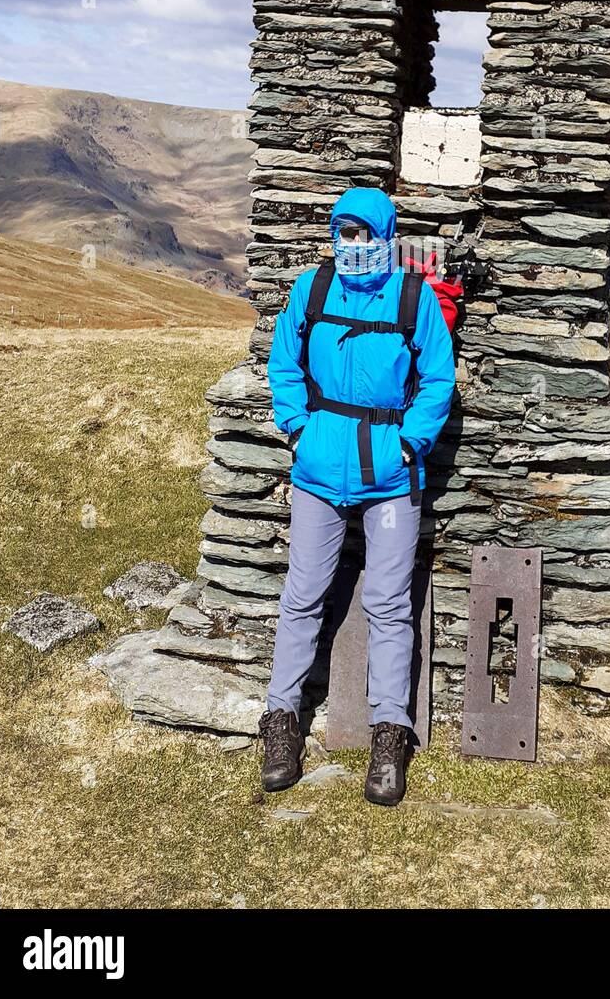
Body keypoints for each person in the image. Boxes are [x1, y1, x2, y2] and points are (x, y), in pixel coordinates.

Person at [258, 186, 456, 806]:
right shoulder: (311, 291)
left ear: (385, 236)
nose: (353, 245)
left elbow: (438, 377)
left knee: (389, 603)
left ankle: (390, 734)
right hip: (318, 471)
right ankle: (280, 721)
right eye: (343, 233)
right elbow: (284, 363)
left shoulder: (413, 298)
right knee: (304, 594)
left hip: (391, 477)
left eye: (365, 234)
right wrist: (297, 429)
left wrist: (411, 442)